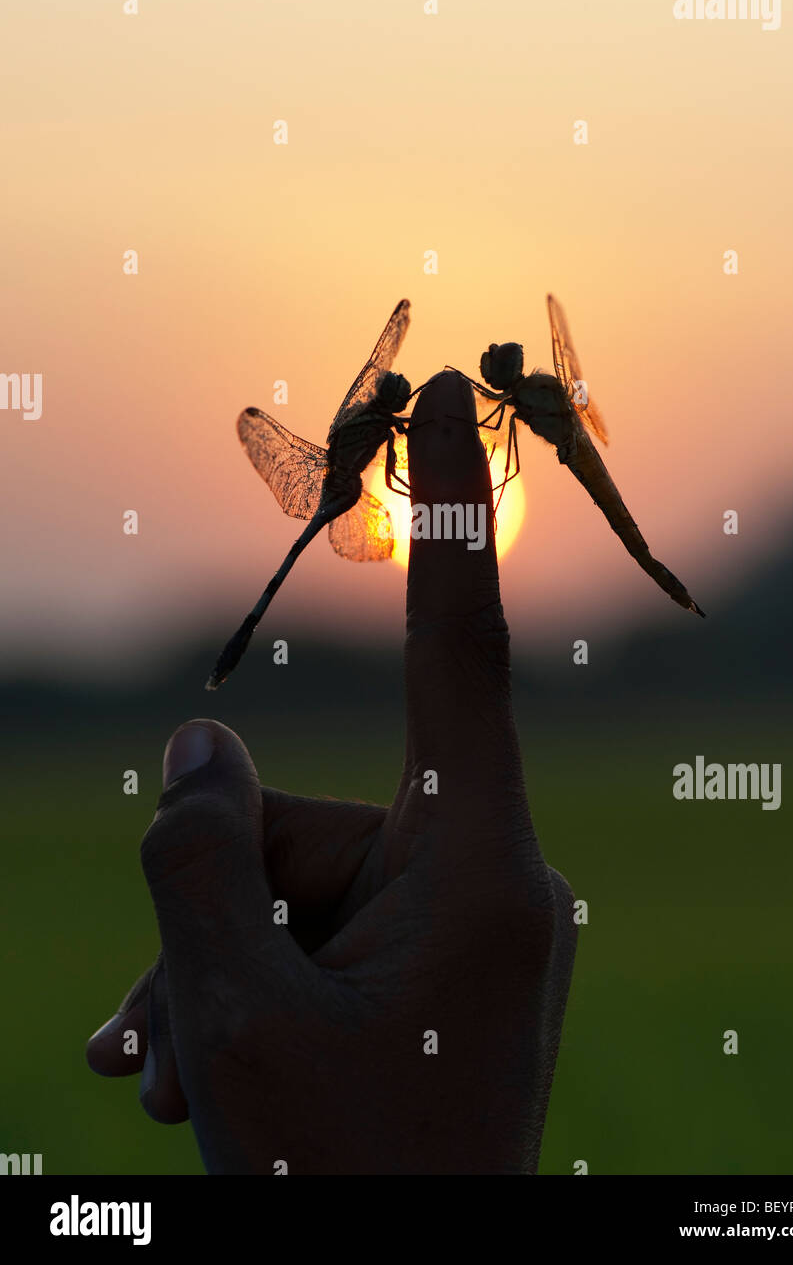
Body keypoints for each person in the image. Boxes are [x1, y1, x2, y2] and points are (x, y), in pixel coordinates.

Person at [86, 371, 577, 1174]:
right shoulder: (365, 446)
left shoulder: (374, 427)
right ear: (383, 408)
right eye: (392, 389)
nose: (399, 386)